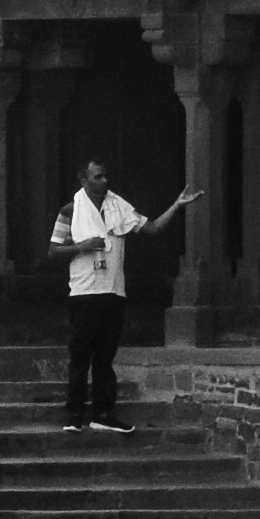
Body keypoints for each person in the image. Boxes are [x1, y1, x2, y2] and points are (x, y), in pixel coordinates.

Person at [50, 157, 195, 429]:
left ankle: (103, 414)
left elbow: (151, 228)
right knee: (81, 355)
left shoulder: (118, 206)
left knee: (105, 356)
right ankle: (75, 413)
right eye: (98, 177)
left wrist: (177, 206)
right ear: (83, 179)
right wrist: (82, 246)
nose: (104, 181)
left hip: (113, 291)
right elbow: (53, 251)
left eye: (105, 176)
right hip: (84, 291)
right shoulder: (70, 210)